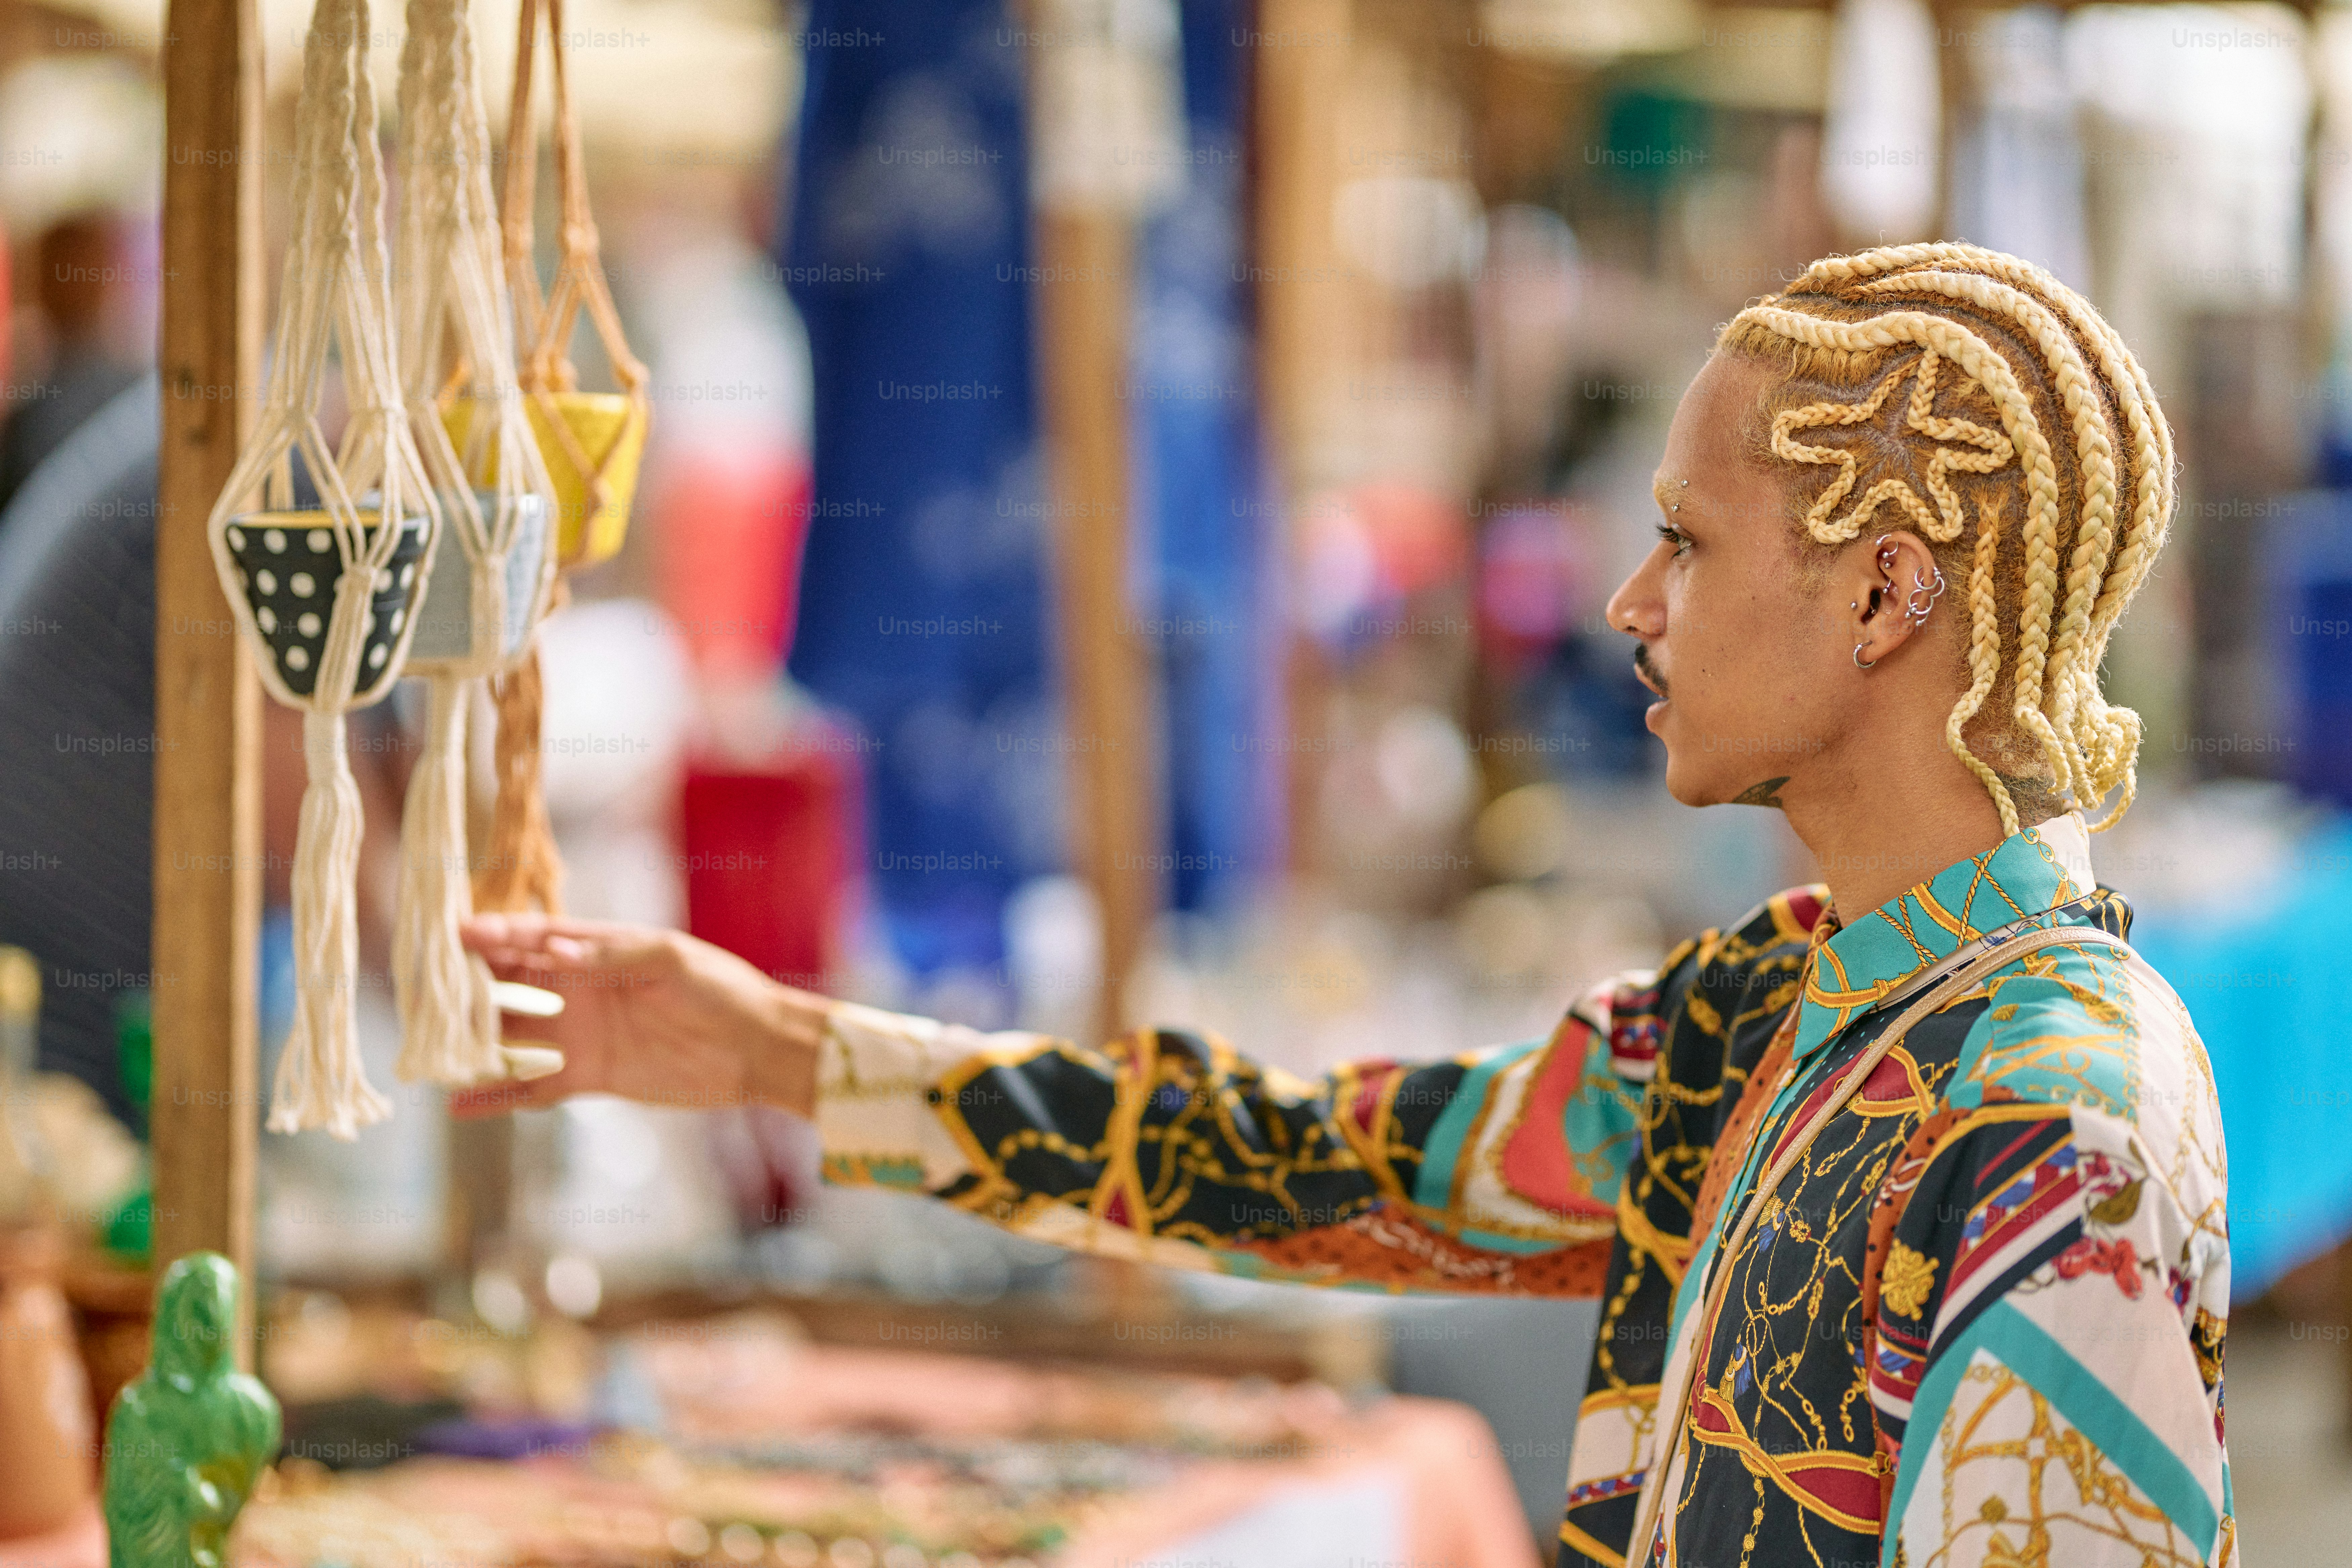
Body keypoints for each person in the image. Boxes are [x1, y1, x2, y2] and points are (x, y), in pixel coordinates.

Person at [456, 245, 2231, 1568]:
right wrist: (782, 1055)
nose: (1628, 599)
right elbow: (1317, 1165)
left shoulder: (2050, 1114)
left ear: (1882, 596)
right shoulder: (1771, 1015)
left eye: (1684, 540)